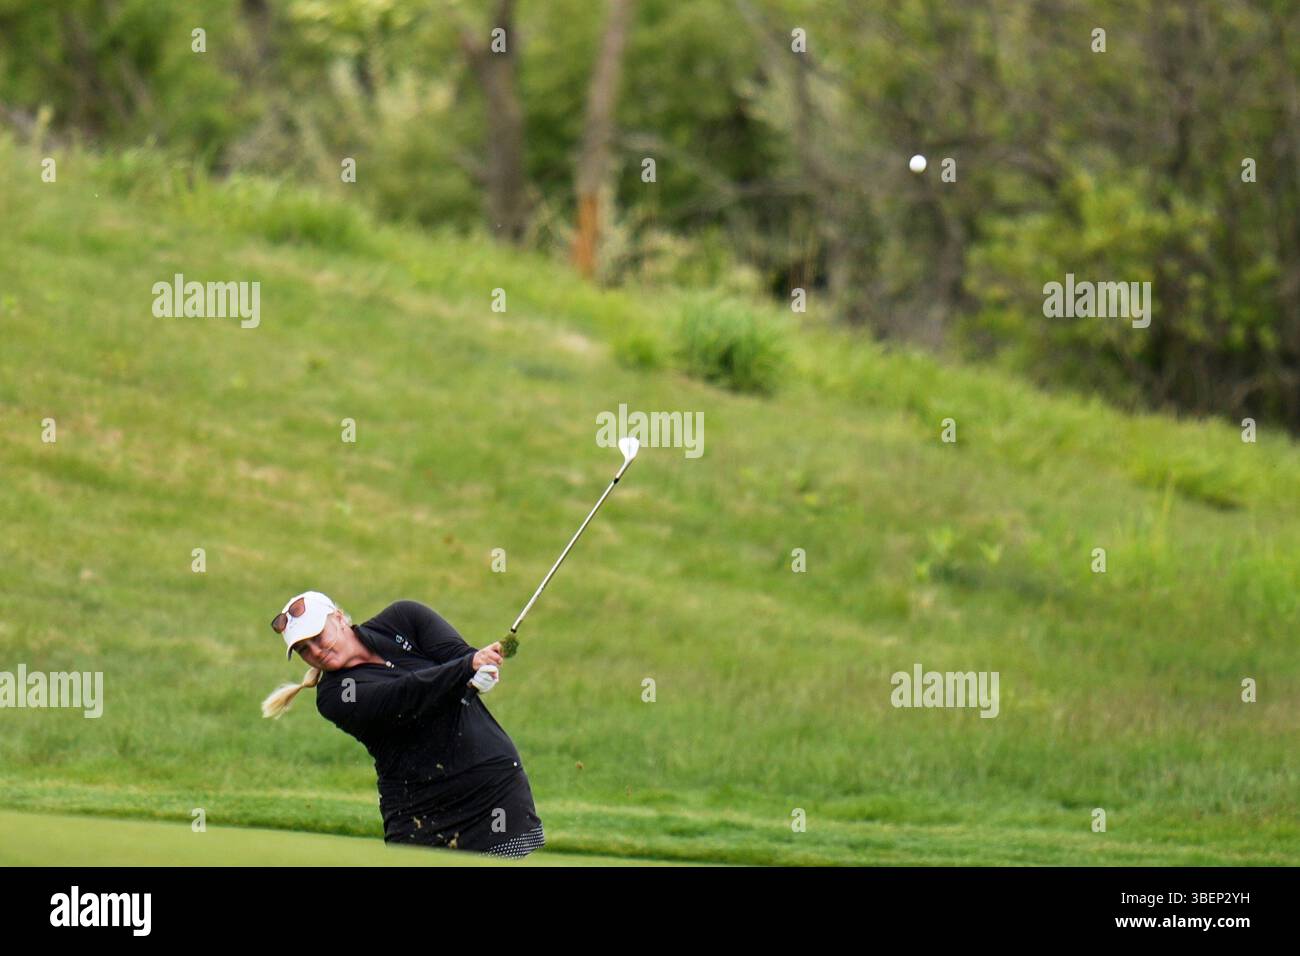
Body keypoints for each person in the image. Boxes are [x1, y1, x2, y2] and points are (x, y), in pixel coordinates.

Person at [261, 591, 545, 858]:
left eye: (317, 636)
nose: (315, 650)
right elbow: (403, 697)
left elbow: (459, 655)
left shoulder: (404, 618)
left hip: (497, 794)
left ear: (337, 617)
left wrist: (481, 670)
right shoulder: (335, 697)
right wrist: (466, 668)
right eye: (303, 649)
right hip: (424, 820)